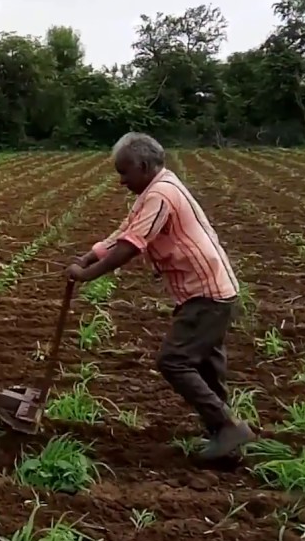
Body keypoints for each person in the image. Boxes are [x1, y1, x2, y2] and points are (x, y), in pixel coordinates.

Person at [66, 132, 254, 461]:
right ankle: (224, 437)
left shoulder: (161, 194)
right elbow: (125, 231)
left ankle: (227, 428)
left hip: (206, 292)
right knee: (206, 366)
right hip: (209, 290)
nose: (121, 181)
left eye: (124, 172)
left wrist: (87, 274)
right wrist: (88, 257)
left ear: (142, 165)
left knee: (173, 361)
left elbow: (130, 245)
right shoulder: (155, 190)